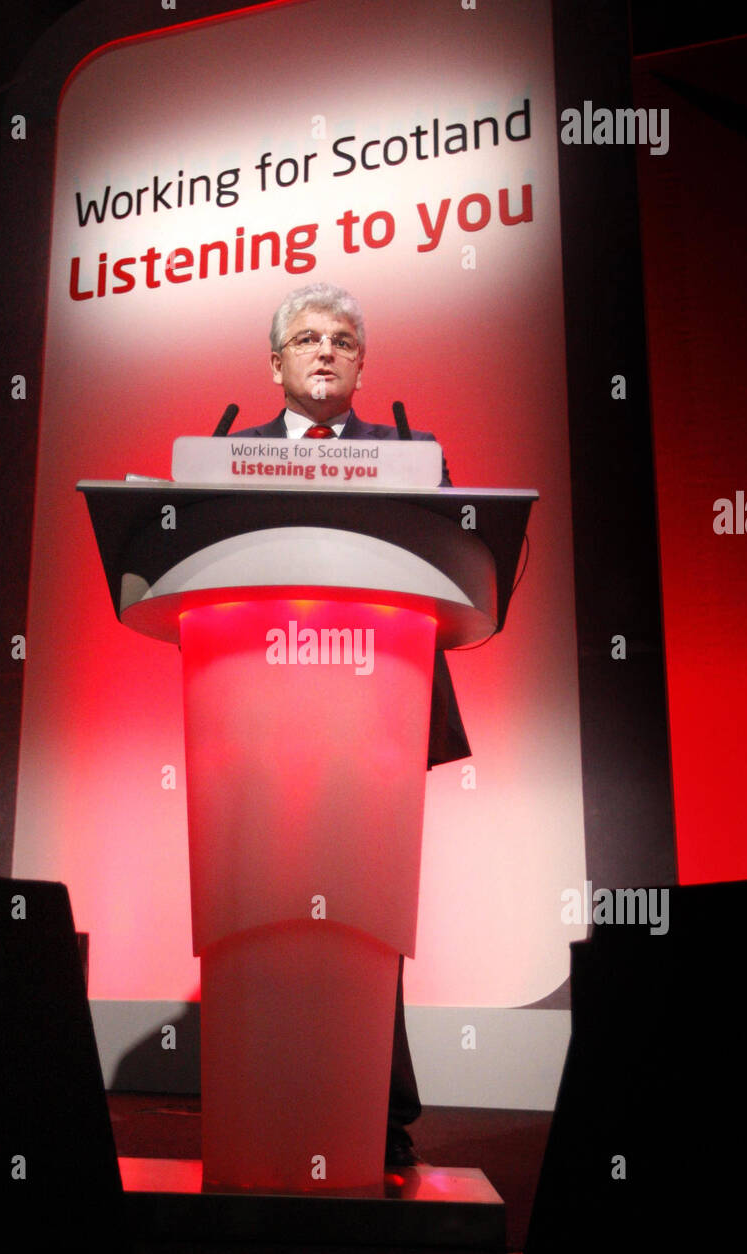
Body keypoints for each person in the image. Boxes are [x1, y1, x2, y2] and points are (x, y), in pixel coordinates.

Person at [233, 284, 470, 1167]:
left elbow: (458, 560)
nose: (323, 351)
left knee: (364, 910)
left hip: (380, 706)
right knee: (266, 901)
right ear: (276, 364)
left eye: (340, 340)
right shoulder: (229, 455)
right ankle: (275, 1085)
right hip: (256, 711)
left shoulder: (410, 455)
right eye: (305, 339)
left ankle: (376, 1106)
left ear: (361, 362)